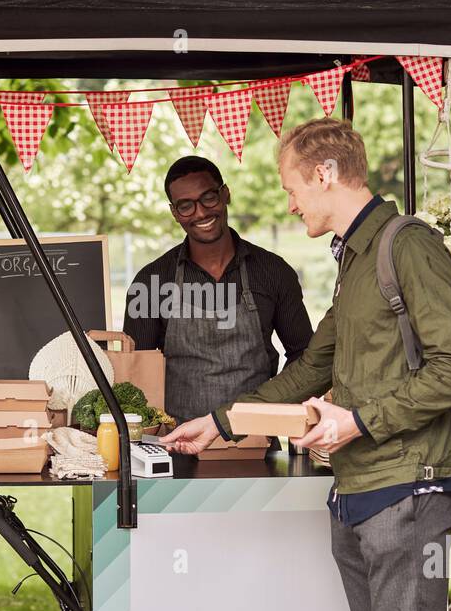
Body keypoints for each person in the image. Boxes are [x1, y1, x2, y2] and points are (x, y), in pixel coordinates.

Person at [161, 119, 451, 611]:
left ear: (326, 174)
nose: (289, 202)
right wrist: (220, 421)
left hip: (407, 492)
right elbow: (312, 365)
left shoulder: (405, 245)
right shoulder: (358, 261)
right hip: (360, 496)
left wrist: (358, 421)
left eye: (292, 187)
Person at [122, 155, 313, 425]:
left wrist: (272, 411)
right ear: (175, 213)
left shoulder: (273, 272)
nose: (200, 213)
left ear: (225, 194)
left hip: (255, 442)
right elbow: (135, 371)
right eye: (186, 206)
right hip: (178, 444)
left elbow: (304, 356)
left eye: (208, 198)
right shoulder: (151, 281)